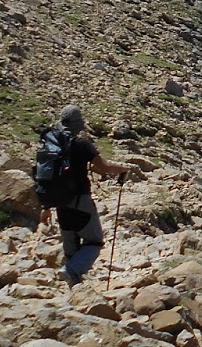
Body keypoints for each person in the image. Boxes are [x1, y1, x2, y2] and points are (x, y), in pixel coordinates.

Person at [41, 104, 134, 285]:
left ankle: (72, 288)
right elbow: (104, 167)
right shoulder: (81, 144)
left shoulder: (52, 145)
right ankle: (70, 271)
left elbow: (46, 176)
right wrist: (124, 168)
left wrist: (45, 207)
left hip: (60, 203)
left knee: (71, 247)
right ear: (77, 124)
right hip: (80, 200)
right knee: (94, 241)